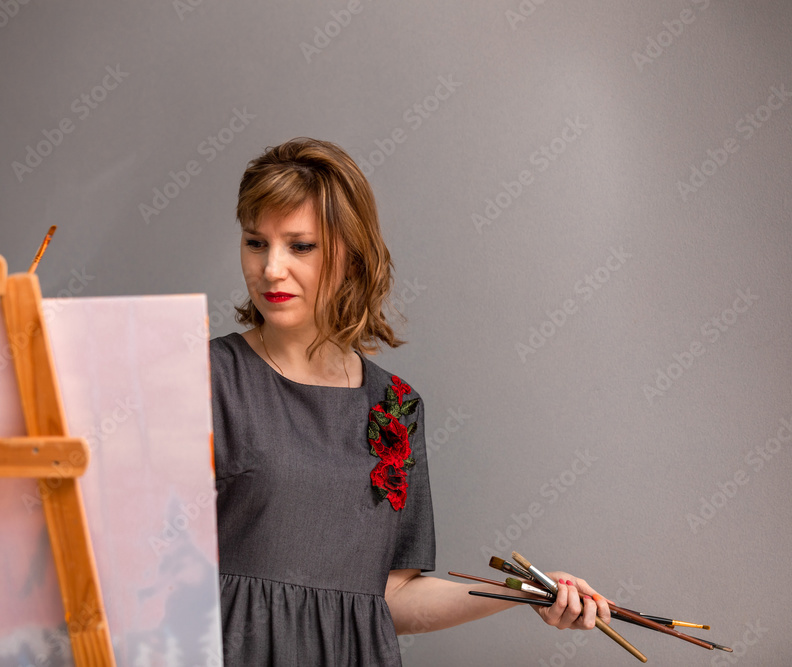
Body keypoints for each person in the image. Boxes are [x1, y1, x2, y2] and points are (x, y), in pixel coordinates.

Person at [210, 137, 611, 665]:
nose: (271, 268)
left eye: (300, 246)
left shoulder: (396, 405)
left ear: (351, 255)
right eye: (255, 242)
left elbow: (393, 597)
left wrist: (523, 593)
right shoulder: (206, 377)